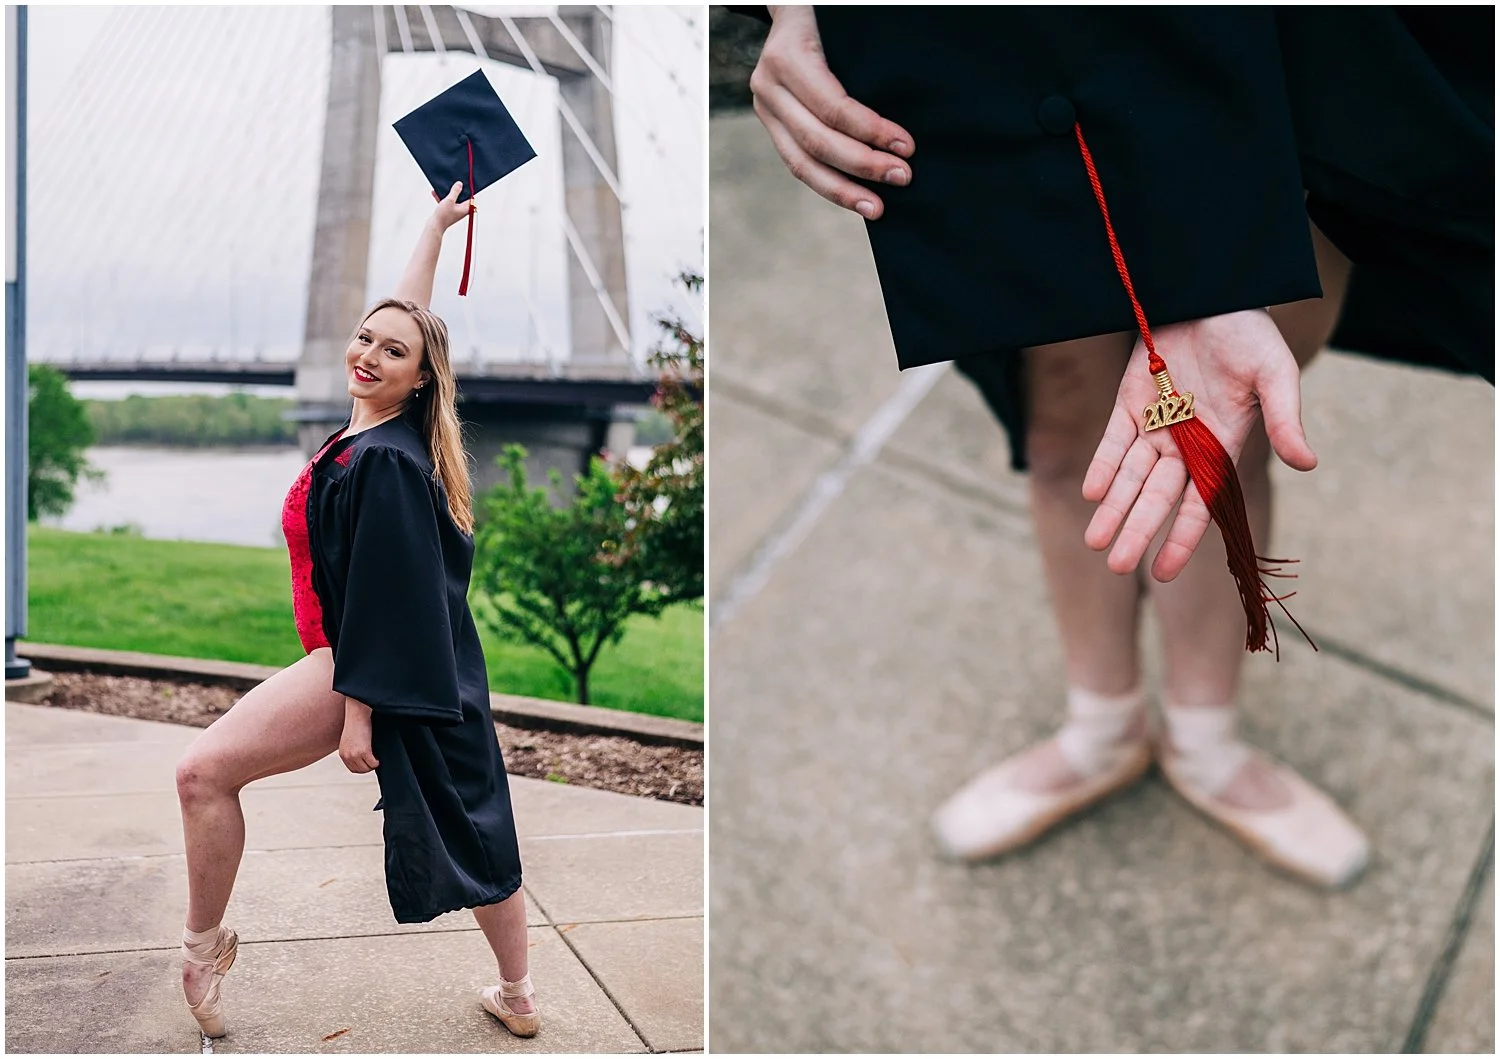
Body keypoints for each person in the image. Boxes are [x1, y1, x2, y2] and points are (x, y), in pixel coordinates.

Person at [742, 6, 1492, 888]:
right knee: (1065, 415)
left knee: (1221, 428)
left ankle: (1206, 739)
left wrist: (1205, 245)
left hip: (1264, 46)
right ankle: (1101, 725)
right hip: (989, 47)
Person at [174, 182, 539, 1039]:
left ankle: (200, 950)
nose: (369, 353)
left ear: (419, 381)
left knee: (201, 772)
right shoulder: (374, 427)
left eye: (392, 351)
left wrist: (357, 715)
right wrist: (435, 227)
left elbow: (385, 591)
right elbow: (409, 313)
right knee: (473, 811)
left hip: (365, 662)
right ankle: (518, 992)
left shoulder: (380, 458)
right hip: (428, 659)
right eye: (365, 339)